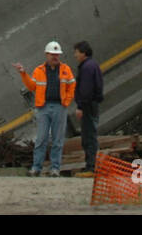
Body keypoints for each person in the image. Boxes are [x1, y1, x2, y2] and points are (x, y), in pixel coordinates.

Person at [14, 41, 76, 177]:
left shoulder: (66, 70)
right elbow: (32, 86)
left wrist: (67, 100)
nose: (55, 57)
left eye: (57, 55)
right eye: (53, 54)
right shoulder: (39, 70)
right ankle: (36, 168)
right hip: (43, 107)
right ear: (46, 55)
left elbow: (72, 85)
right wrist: (23, 74)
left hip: (60, 107)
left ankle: (55, 168)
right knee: (41, 139)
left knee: (57, 140)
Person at [73, 41, 103, 176]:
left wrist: (80, 106)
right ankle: (91, 165)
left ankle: (90, 167)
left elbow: (85, 90)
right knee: (91, 135)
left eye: (77, 52)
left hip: (87, 106)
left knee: (88, 137)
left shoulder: (86, 68)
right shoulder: (93, 65)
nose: (75, 55)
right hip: (93, 105)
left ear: (83, 53)